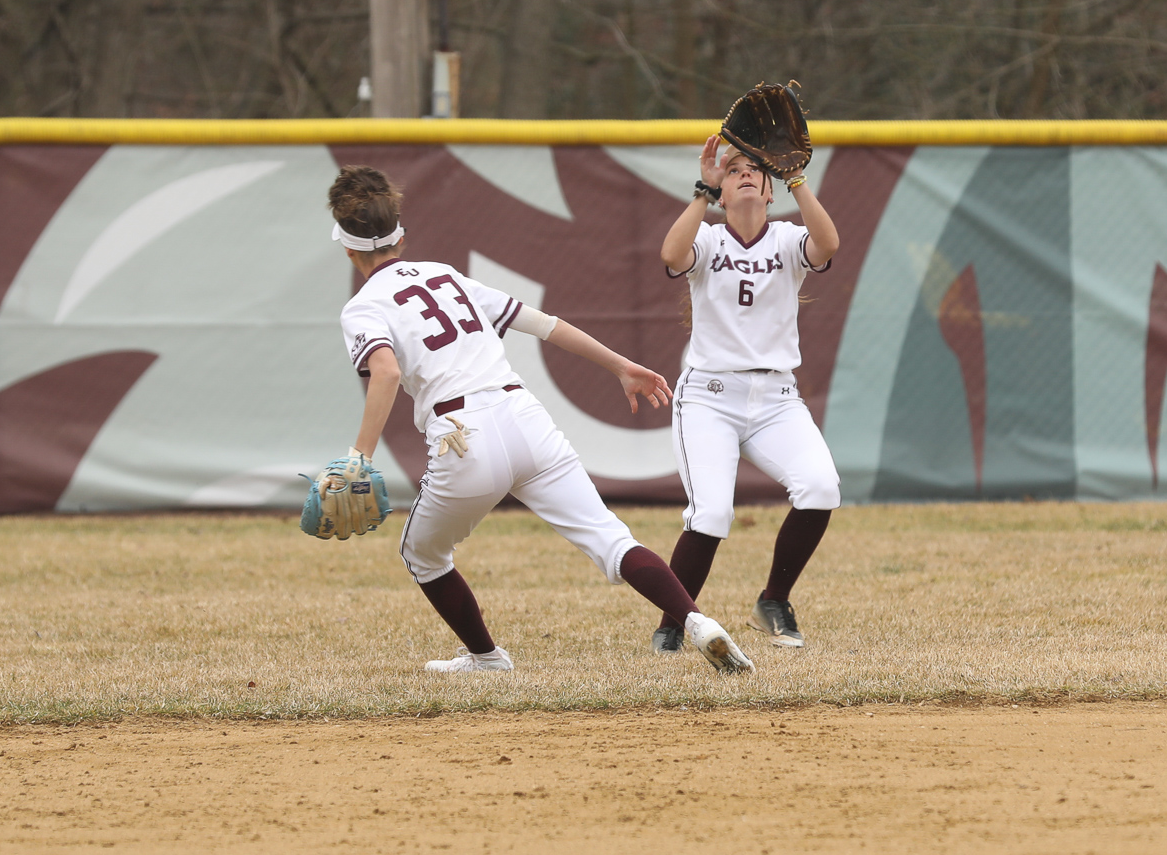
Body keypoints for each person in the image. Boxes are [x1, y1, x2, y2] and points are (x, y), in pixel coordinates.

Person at [330, 165, 753, 674]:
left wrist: (358, 459)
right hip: (525, 417)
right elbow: (545, 324)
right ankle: (697, 622)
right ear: (401, 235)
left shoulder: (362, 306)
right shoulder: (445, 275)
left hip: (462, 436)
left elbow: (386, 371)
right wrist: (620, 365)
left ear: (347, 248)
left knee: (423, 555)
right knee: (612, 540)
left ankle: (487, 658)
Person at [651, 137, 842, 653]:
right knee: (711, 514)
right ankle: (673, 625)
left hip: (776, 398)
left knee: (821, 487)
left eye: (757, 169)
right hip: (709, 398)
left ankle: (773, 601)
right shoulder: (709, 238)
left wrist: (797, 177)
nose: (746, 174)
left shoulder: (787, 238)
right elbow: (671, 255)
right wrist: (703, 190)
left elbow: (827, 245)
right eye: (734, 169)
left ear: (771, 190)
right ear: (722, 189)